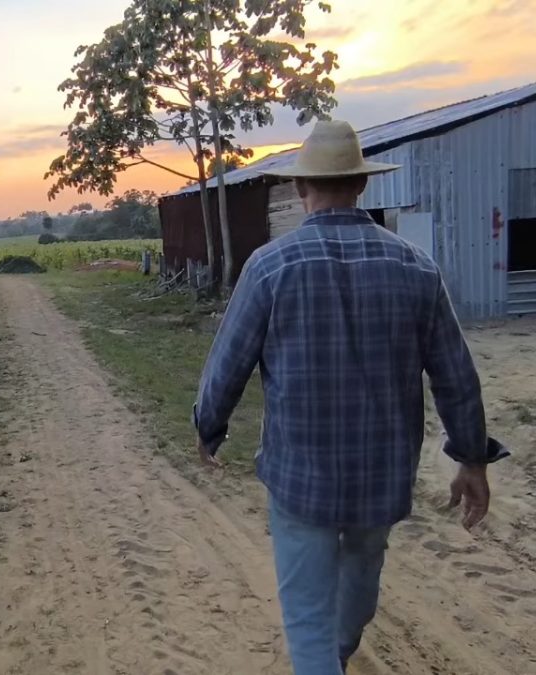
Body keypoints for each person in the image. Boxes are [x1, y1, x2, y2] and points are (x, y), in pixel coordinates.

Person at [192, 120, 508, 675]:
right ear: (361, 185)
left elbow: (228, 363)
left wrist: (208, 426)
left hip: (300, 478)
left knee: (307, 614)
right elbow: (457, 376)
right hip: (380, 476)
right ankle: (337, 654)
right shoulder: (416, 268)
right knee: (360, 581)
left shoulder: (269, 268)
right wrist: (472, 458)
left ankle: (325, 660)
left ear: (300, 187)